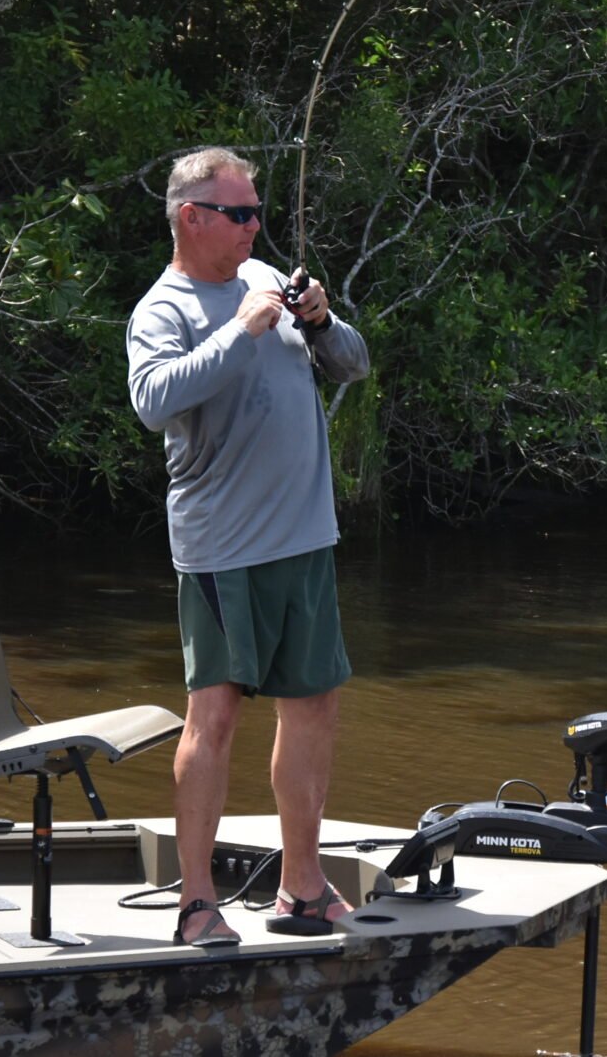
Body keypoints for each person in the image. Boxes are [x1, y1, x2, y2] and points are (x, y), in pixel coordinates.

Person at [125, 147, 372, 949]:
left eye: (258, 212)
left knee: (315, 707)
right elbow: (153, 401)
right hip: (222, 551)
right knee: (216, 717)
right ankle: (197, 902)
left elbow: (354, 368)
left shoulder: (268, 277)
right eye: (239, 214)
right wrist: (239, 329)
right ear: (191, 218)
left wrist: (322, 321)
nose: (254, 226)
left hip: (304, 540)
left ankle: (302, 888)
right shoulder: (162, 309)